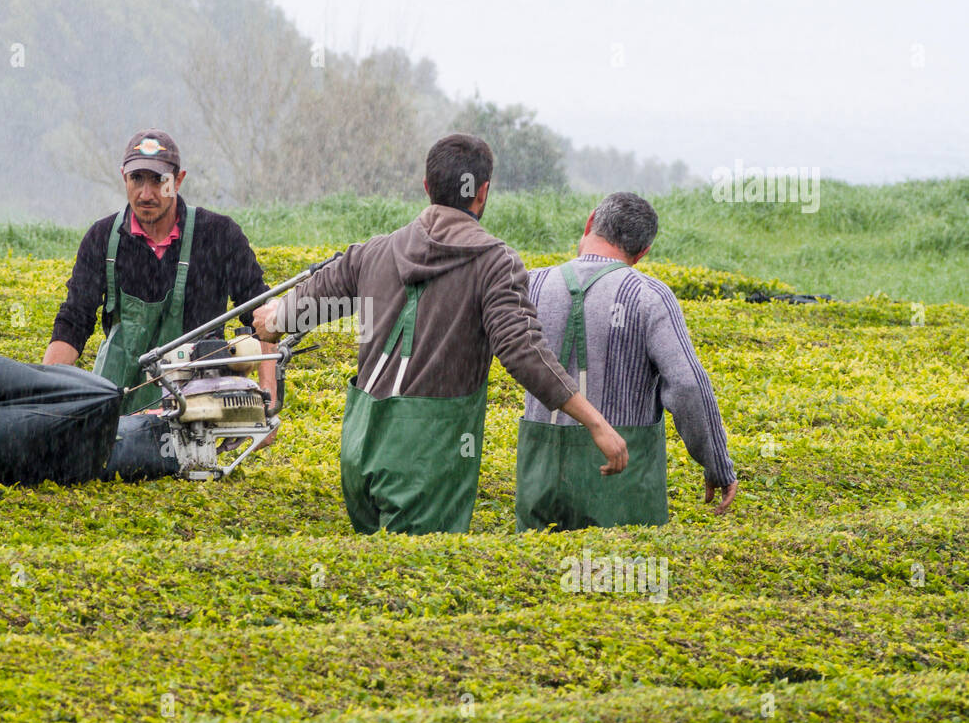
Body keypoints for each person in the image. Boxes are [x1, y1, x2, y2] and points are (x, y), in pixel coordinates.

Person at [254, 133, 627, 535]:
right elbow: (522, 350)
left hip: (360, 450)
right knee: (409, 584)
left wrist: (271, 320)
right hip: (428, 458)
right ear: (482, 193)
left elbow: (290, 315)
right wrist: (596, 424)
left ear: (427, 186)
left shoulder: (372, 252)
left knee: (373, 579)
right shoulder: (494, 263)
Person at [517, 191, 738, 530]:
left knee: (541, 576)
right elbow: (687, 386)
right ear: (642, 253)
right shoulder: (649, 296)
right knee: (620, 577)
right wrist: (717, 464)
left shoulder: (532, 284)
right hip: (621, 485)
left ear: (591, 221)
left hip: (541, 480)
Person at [44, 129, 276, 421]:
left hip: (197, 407)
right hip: (118, 404)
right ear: (123, 178)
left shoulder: (218, 235)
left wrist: (268, 396)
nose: (146, 194)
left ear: (178, 180)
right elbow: (73, 322)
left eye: (159, 180)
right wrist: (45, 396)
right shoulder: (102, 239)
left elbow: (261, 315)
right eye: (136, 179)